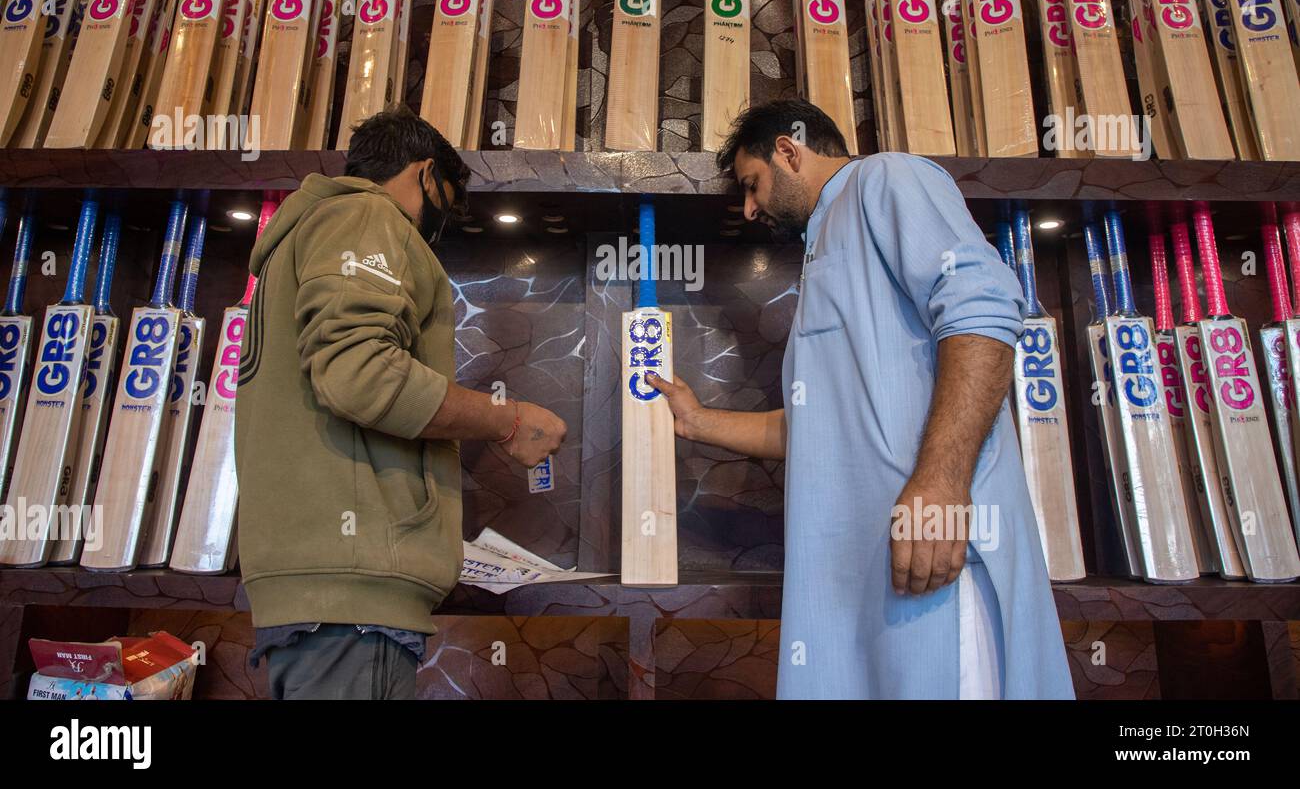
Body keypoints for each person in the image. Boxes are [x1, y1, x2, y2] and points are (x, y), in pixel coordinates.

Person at [645, 99, 1074, 699]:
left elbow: (982, 314)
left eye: (752, 184)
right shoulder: (827, 242)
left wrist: (940, 487)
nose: (748, 208)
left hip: (934, 567)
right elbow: (815, 432)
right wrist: (696, 422)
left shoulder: (886, 178)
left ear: (790, 151)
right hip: (870, 585)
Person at [234, 110, 567, 699]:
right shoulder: (364, 214)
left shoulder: (310, 231)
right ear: (425, 173)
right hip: (349, 591)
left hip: (327, 590)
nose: (442, 222)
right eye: (449, 203)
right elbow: (360, 375)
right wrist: (506, 420)